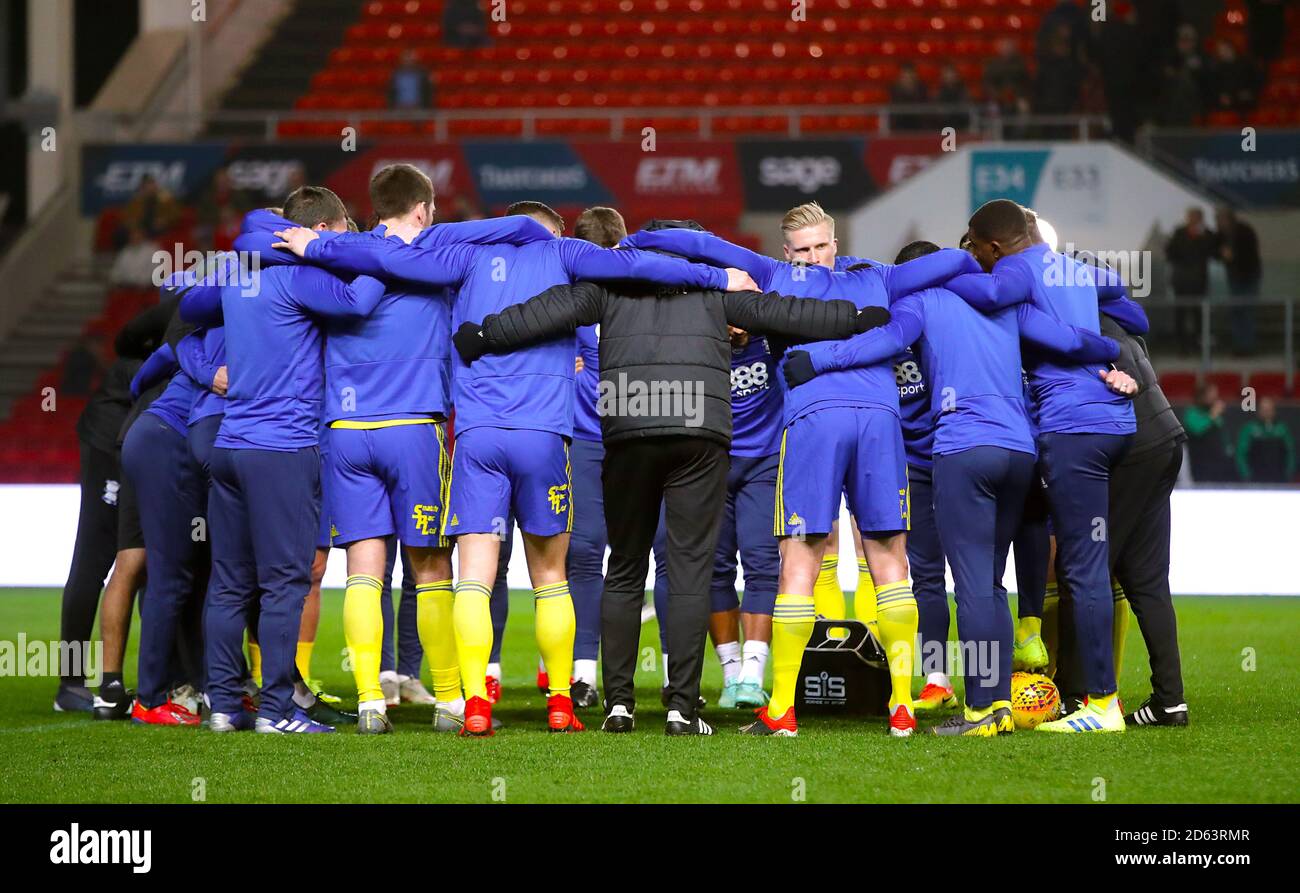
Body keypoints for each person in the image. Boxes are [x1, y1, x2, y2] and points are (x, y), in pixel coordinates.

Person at [271, 200, 754, 736]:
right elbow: (638, 267)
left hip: (477, 436)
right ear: (552, 232)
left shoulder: (466, 258)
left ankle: (471, 705)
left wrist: (318, 246)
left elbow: (391, 258)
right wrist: (717, 276)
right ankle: (561, 706)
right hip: (543, 435)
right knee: (551, 576)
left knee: (473, 576)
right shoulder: (567, 254)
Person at [451, 219, 888, 735]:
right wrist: (857, 317)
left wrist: (485, 332)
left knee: (625, 566)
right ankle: (682, 708)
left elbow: (552, 310)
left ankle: (618, 704)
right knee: (687, 570)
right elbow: (783, 312)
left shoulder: (611, 285)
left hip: (627, 430)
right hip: (698, 434)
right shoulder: (715, 284)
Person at [622, 224, 985, 737]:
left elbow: (703, 246)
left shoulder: (775, 274)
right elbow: (953, 262)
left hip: (816, 421)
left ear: (834, 244)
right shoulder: (882, 277)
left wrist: (632, 244)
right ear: (788, 249)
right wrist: (992, 265)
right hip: (879, 419)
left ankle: (784, 709)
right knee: (889, 562)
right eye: (804, 248)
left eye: (820, 246)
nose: (813, 257)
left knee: (800, 564)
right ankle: (900, 706)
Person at [785, 239, 1126, 735]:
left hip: (964, 449)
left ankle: (982, 709)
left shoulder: (920, 303)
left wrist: (820, 362)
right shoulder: (1007, 303)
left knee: (970, 587)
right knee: (990, 583)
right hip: (1020, 451)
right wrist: (1115, 355)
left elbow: (880, 341)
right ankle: (1003, 703)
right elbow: (1070, 340)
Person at [943, 199, 1149, 733]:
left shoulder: (1008, 269)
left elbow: (992, 296)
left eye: (977, 248)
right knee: (1091, 563)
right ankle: (1092, 692)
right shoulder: (1077, 268)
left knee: (1081, 567)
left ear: (991, 245)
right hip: (1115, 422)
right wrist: (1105, 347)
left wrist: (944, 273)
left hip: (1071, 425)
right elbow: (1131, 307)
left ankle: (1102, 705)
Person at [1165, 207, 1215, 355]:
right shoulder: (1179, 233)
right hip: (1181, 280)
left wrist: (1202, 236)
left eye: (1196, 217)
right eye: (1191, 217)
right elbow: (1170, 252)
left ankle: (1197, 344)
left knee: (1198, 313)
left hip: (1198, 281)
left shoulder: (1207, 235)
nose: (1193, 220)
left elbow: (1212, 251)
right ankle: (1182, 346)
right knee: (1180, 313)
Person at [1215, 206, 1262, 356]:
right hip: (1235, 277)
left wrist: (1233, 255)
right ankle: (1239, 346)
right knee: (1236, 312)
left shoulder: (1244, 231)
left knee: (1246, 311)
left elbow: (1251, 253)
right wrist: (1223, 255)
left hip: (1248, 275)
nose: (1219, 223)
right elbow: (1215, 251)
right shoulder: (1221, 235)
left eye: (1221, 220)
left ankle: (1247, 346)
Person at [1182, 382, 1236, 483]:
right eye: (1210, 394)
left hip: (1219, 464)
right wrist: (1212, 415)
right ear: (1202, 396)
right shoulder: (1192, 412)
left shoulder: (1217, 415)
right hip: (1200, 463)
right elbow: (1197, 430)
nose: (1214, 397)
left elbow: (1223, 434)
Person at [1236, 397, 1295, 484]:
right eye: (1264, 409)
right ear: (1258, 411)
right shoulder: (1249, 429)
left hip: (1279, 479)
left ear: (1274, 411)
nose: (1267, 412)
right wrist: (1246, 475)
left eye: (1269, 409)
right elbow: (1241, 454)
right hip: (1255, 479)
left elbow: (1291, 453)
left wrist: (1288, 474)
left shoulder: (1282, 429)